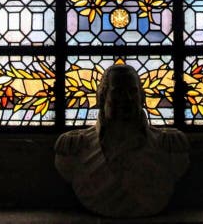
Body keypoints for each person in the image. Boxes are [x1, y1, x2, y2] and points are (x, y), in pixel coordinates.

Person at [54, 64, 190, 218]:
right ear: (103, 97)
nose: (126, 99)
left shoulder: (169, 146)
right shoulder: (74, 149)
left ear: (142, 97)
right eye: (117, 92)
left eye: (132, 91)